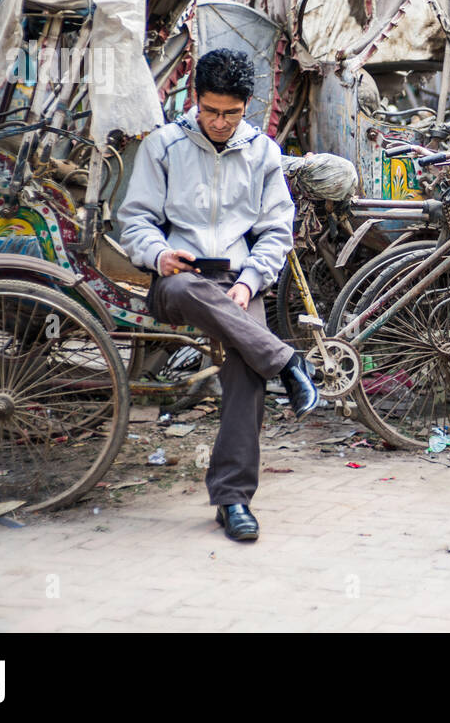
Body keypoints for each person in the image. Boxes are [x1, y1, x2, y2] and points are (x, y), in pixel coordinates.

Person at [118, 48, 318, 542]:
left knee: (248, 367)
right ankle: (288, 361)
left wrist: (250, 282)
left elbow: (275, 232)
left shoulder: (264, 153)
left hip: (238, 281)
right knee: (192, 290)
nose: (220, 122)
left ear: (247, 105)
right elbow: (134, 220)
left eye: (231, 113)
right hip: (176, 281)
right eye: (211, 111)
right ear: (195, 100)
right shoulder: (163, 147)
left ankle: (232, 500)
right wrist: (159, 254)